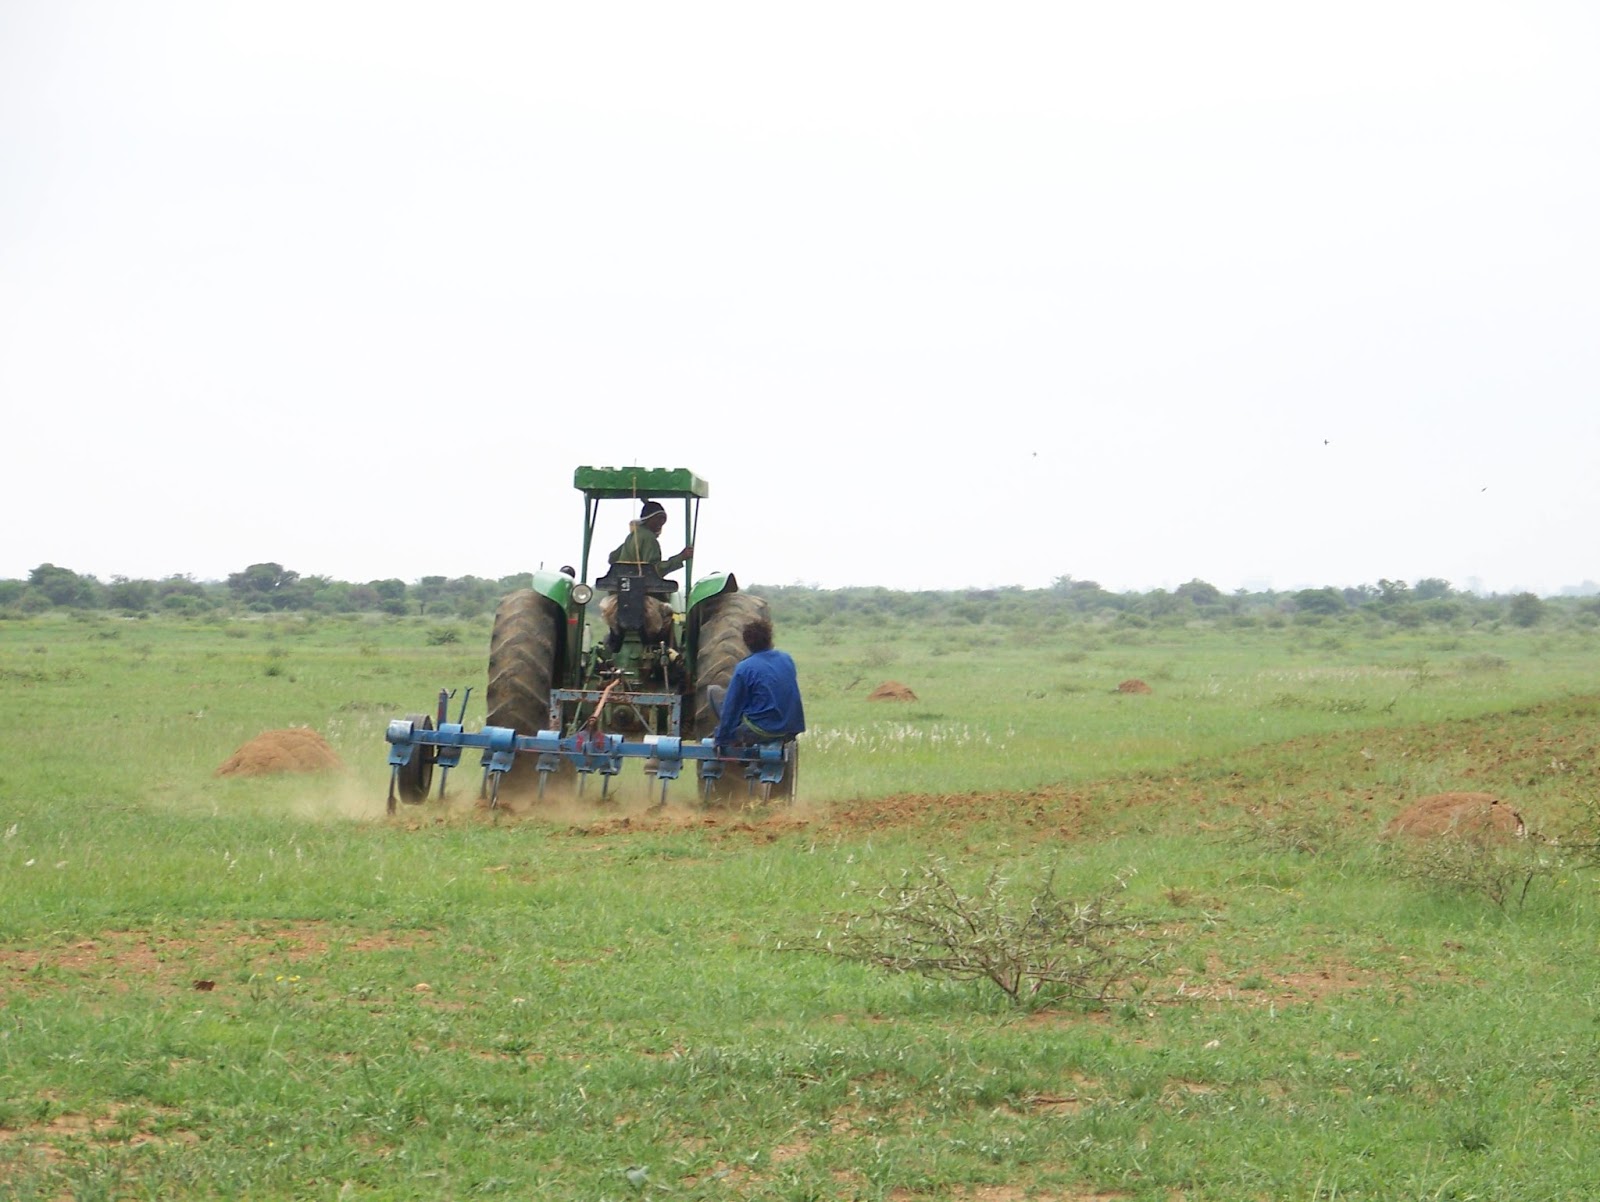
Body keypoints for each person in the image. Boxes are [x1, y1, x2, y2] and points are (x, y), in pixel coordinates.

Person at [601, 500, 693, 643]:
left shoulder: (632, 536)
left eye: (663, 520)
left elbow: (612, 558)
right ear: (648, 519)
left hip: (621, 597)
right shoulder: (649, 539)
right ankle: (666, 647)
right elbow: (655, 570)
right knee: (670, 614)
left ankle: (616, 641)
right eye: (659, 519)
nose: (661, 524)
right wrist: (681, 557)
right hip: (643, 596)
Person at [711, 617, 806, 747]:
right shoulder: (786, 659)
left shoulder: (744, 668)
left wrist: (721, 740)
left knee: (714, 692)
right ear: (770, 638)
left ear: (747, 643)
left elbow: (731, 708)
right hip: (789, 730)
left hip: (760, 732)